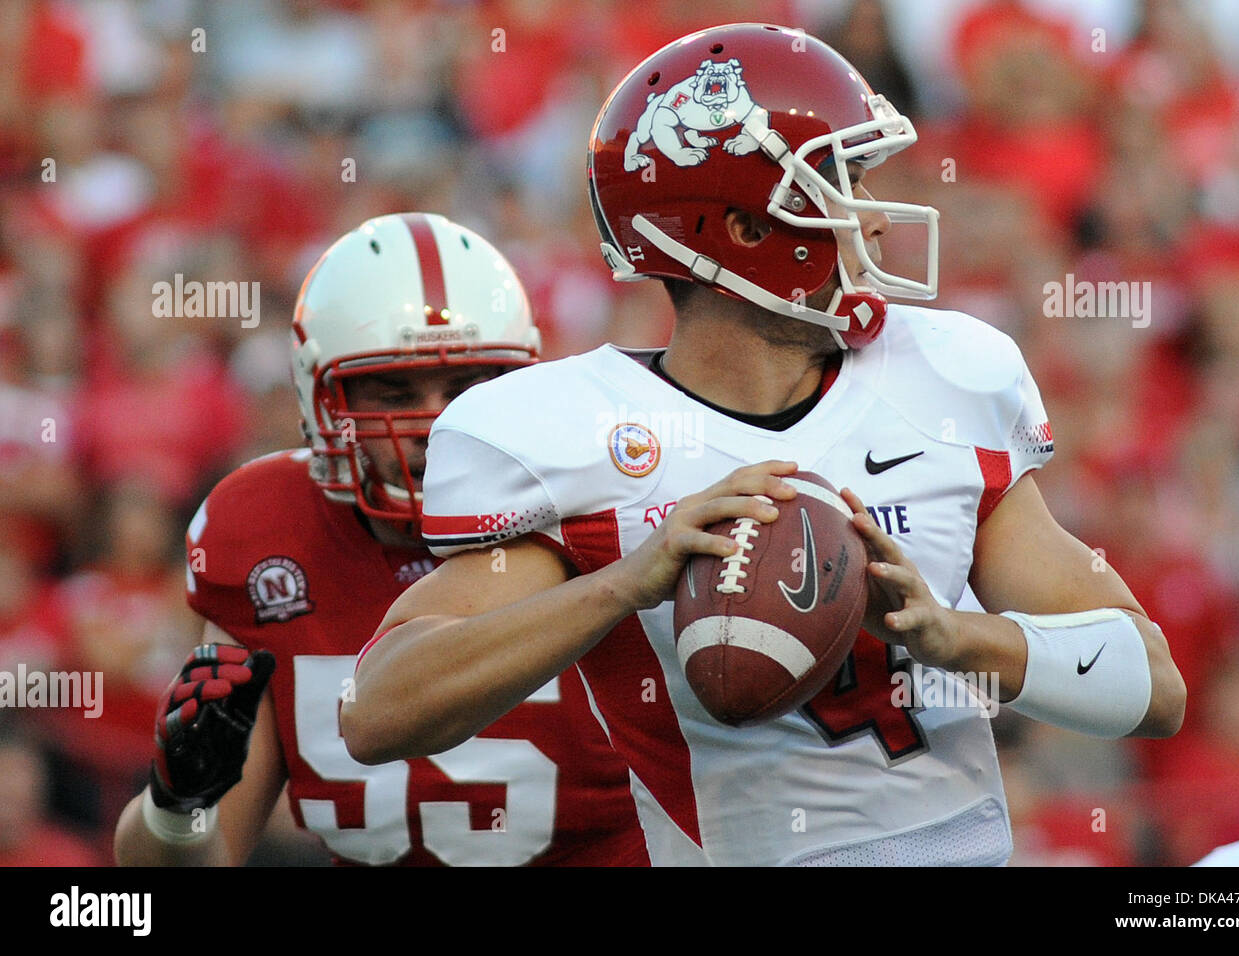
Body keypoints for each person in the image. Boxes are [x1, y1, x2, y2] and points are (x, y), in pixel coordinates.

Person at [342, 24, 1186, 866]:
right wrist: (621, 585)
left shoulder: (942, 378)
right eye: (838, 185)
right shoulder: (579, 437)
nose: (874, 224)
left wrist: (956, 640)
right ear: (745, 233)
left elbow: (1153, 684)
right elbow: (378, 713)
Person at [114, 213, 648, 866]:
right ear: (322, 402)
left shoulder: (600, 508)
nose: (434, 421)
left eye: (465, 387)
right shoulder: (262, 530)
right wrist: (176, 807)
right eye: (394, 391)